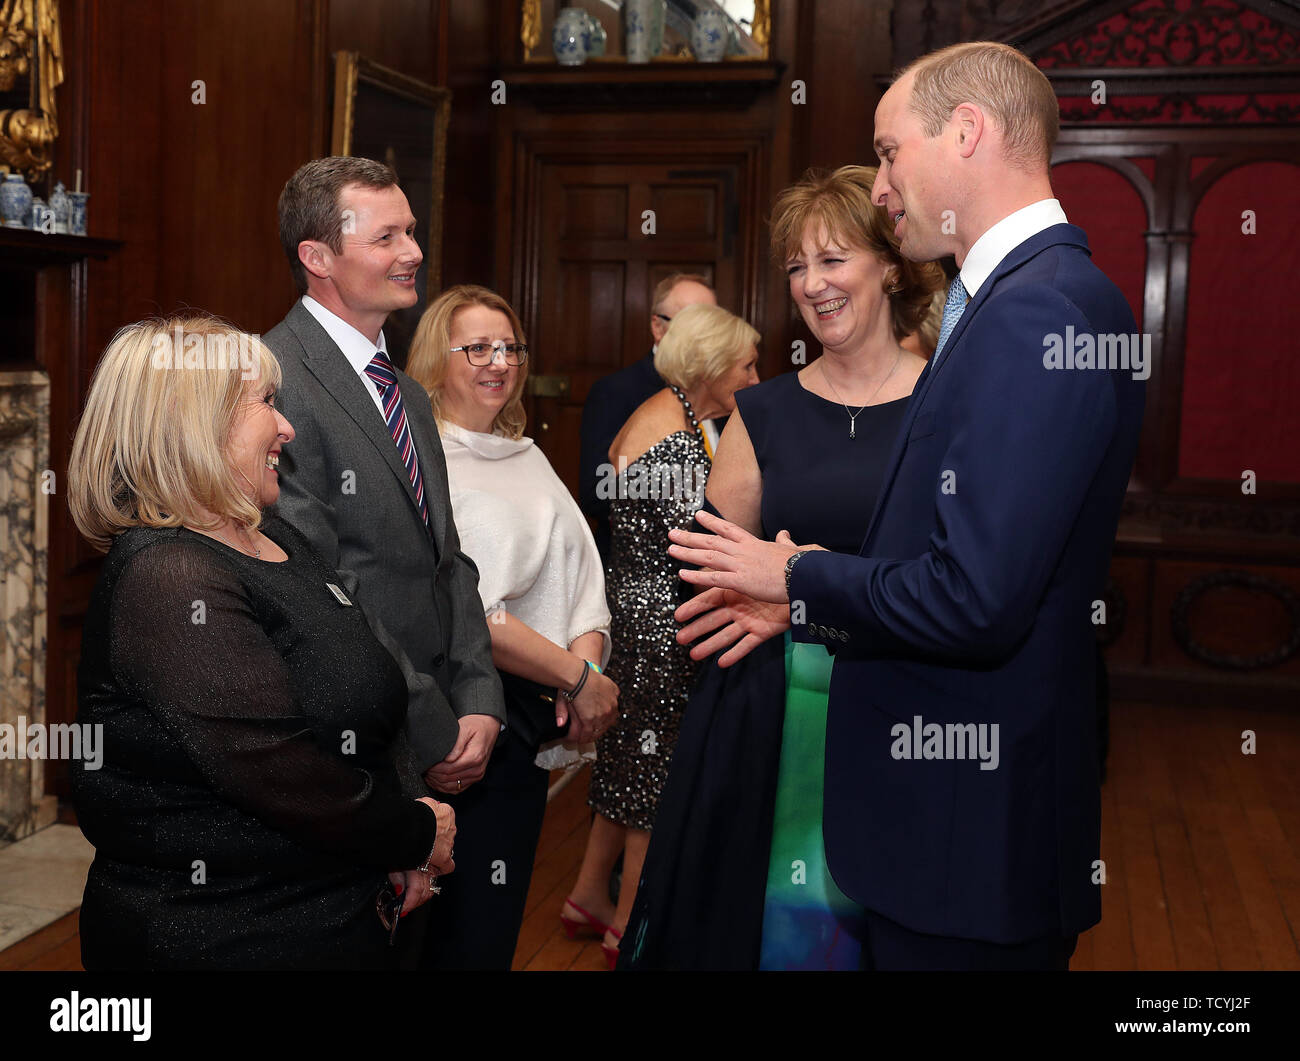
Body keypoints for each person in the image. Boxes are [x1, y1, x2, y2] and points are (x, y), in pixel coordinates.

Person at [663, 42, 1146, 971]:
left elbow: (975, 597)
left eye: (889, 152)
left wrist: (795, 574)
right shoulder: (1025, 298)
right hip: (955, 827)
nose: (881, 186)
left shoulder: (1034, 313)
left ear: (965, 133)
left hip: (965, 837)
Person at [619, 167, 940, 970]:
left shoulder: (946, 404)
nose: (812, 284)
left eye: (832, 260)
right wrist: (765, 590)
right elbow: (709, 576)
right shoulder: (762, 413)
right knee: (759, 934)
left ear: (891, 265)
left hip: (906, 702)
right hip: (768, 714)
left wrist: (798, 589)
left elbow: (963, 575)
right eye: (797, 267)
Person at [67, 316, 456, 970]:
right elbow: (281, 772)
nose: (287, 427)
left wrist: (396, 831)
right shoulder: (167, 577)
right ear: (196, 421)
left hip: (338, 913)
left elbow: (366, 697)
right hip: (222, 936)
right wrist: (416, 832)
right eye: (267, 403)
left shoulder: (279, 541)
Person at [264, 158, 506, 963]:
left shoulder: (403, 388)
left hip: (442, 733)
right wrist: (437, 725)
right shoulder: (273, 379)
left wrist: (479, 693)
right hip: (358, 746)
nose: (413, 253)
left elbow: (449, 561)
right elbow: (321, 584)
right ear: (318, 257)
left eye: (413, 231)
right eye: (389, 235)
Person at [405, 285, 619, 969]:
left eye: (510, 348)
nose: (499, 362)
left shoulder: (524, 454)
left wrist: (579, 677)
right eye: (478, 348)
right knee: (453, 933)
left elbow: (579, 577)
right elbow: (469, 610)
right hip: (466, 719)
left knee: (494, 928)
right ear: (438, 358)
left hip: (532, 718)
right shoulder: (421, 457)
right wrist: (578, 676)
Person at [567, 302, 760, 968]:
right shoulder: (673, 436)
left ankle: (590, 895)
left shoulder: (670, 411)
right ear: (711, 369)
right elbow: (701, 540)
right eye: (747, 366)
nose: (757, 379)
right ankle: (628, 926)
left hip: (636, 609)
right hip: (660, 621)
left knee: (628, 765)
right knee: (658, 777)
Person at [579, 273, 718, 561]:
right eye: (693, 324)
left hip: (716, 569)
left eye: (714, 324)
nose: (707, 336)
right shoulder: (617, 392)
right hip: (641, 570)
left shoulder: (728, 392)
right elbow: (597, 493)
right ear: (658, 327)